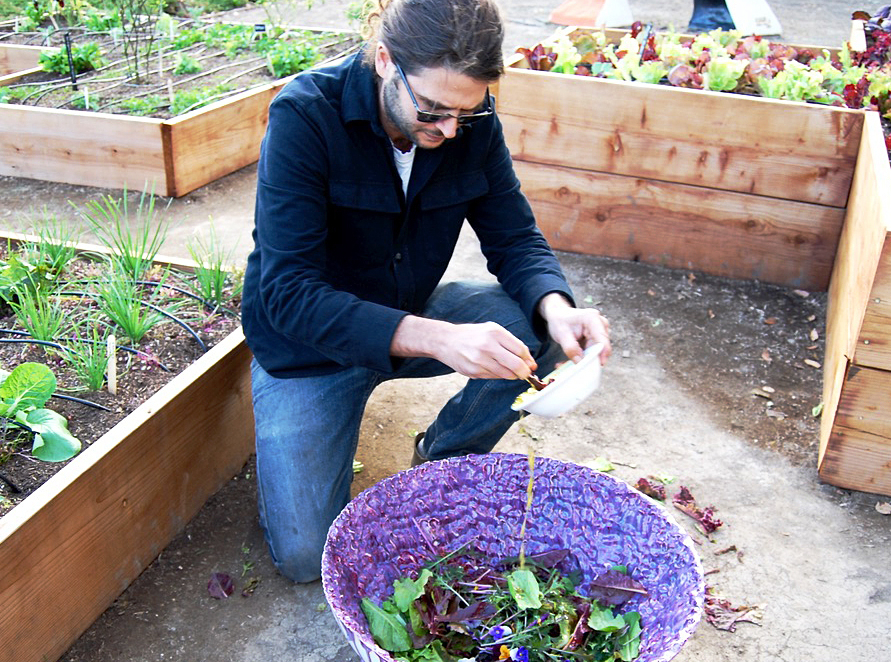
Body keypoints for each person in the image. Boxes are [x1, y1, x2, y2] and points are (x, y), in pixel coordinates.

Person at [240, 0, 612, 583]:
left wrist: (558, 308)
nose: (447, 129)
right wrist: (437, 338)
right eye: (433, 109)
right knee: (306, 559)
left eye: (463, 113)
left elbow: (514, 234)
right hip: (309, 350)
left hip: (410, 314)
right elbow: (287, 293)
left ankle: (440, 462)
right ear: (386, 60)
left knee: (537, 325)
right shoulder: (306, 114)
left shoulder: (470, 120)